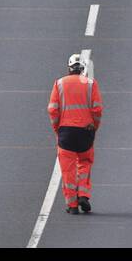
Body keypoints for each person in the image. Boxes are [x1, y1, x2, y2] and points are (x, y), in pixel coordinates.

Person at [47, 53, 103, 214]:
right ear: (82, 69)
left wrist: (57, 129)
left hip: (66, 132)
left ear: (69, 68)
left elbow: (52, 109)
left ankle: (72, 205)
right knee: (85, 162)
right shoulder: (91, 84)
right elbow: (97, 109)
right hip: (86, 131)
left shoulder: (59, 84)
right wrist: (94, 127)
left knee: (68, 170)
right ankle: (84, 194)